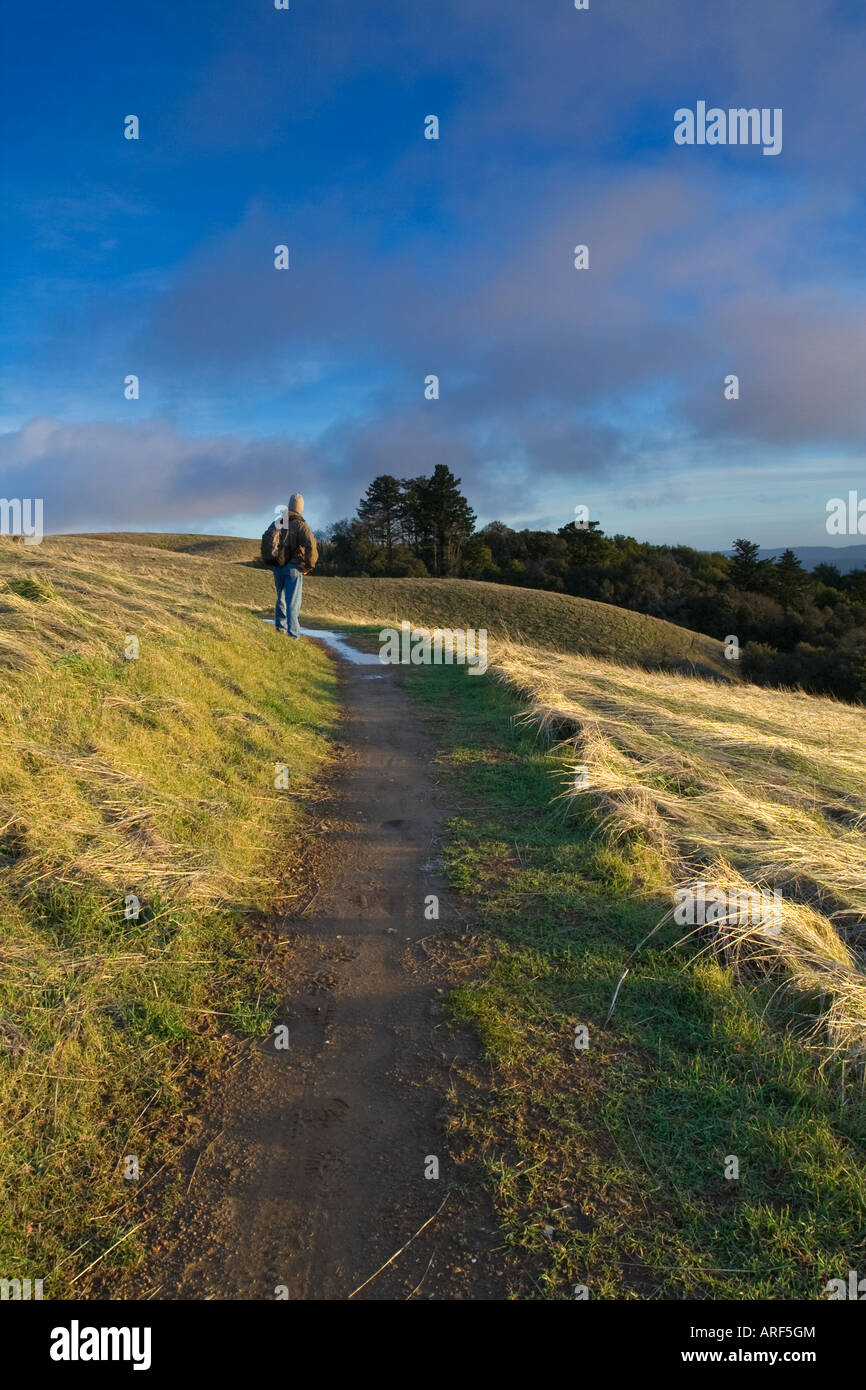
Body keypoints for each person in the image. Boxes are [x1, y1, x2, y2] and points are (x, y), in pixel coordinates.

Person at [271, 493, 318, 638]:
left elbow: (268, 538)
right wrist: (308, 566)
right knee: (293, 601)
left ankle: (281, 629)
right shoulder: (301, 524)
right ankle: (293, 634)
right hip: (293, 567)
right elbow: (312, 546)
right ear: (301, 508)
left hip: (278, 566)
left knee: (281, 597)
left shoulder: (279, 521)